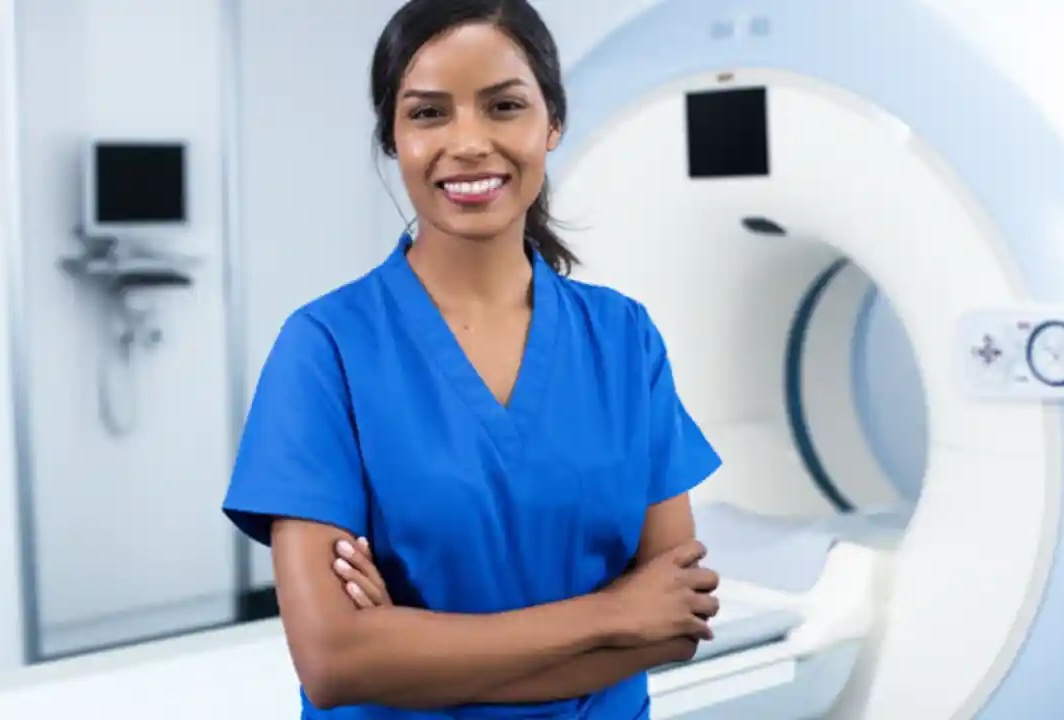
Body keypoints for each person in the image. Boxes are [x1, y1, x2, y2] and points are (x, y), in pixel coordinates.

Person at [221, 1, 723, 717]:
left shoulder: (623, 338)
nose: (468, 142)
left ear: (552, 123)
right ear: (393, 137)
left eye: (504, 106)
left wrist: (412, 649)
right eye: (429, 114)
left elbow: (676, 624)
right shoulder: (325, 349)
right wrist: (613, 615)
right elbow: (335, 661)